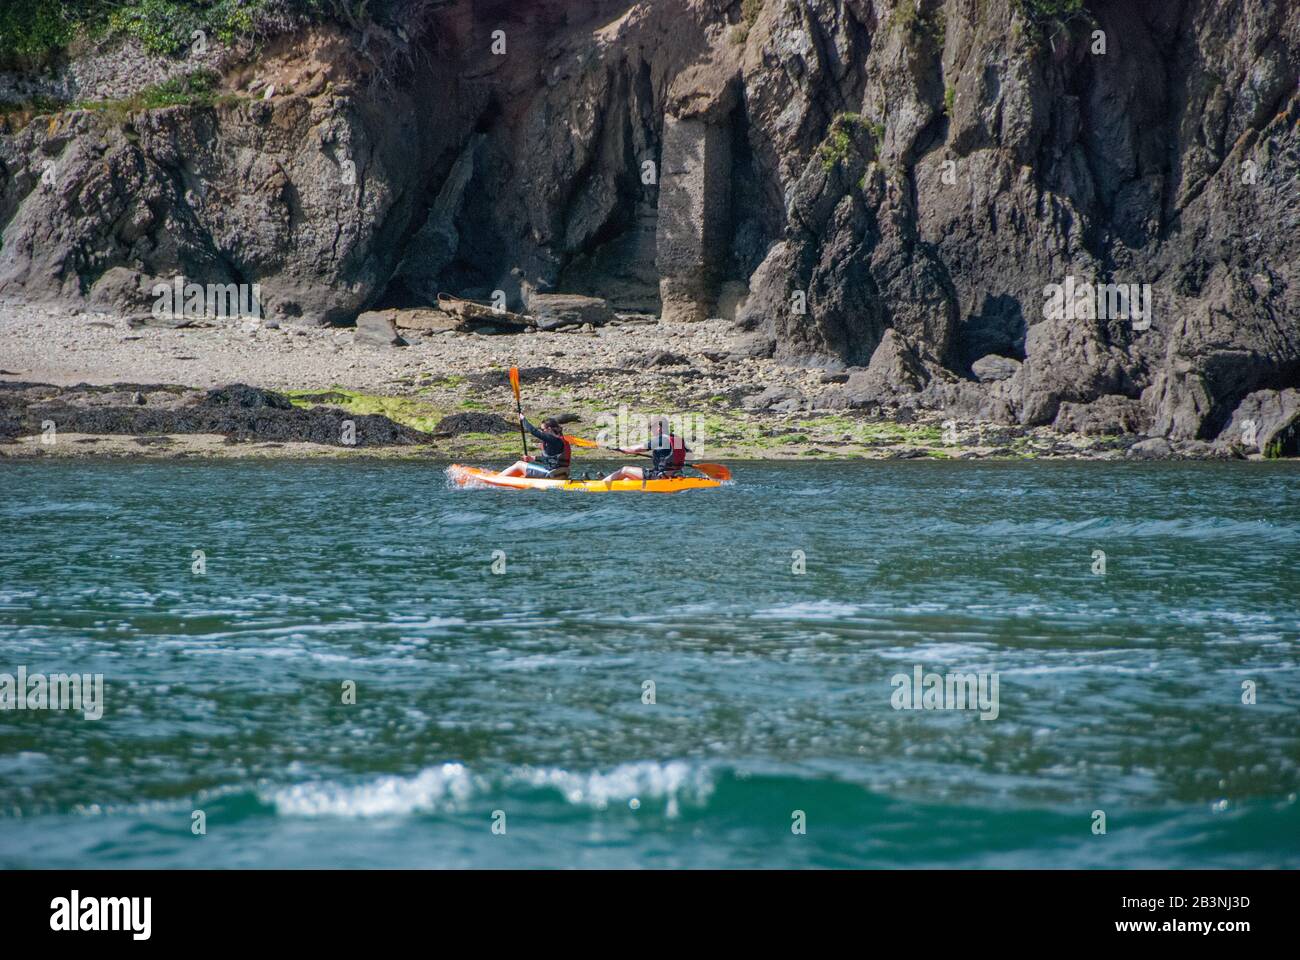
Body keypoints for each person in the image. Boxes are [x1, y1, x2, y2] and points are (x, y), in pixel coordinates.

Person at [603, 416, 689, 482]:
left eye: (651, 428)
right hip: (676, 474)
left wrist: (621, 449)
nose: (650, 431)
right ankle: (610, 480)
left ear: (659, 427)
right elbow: (677, 454)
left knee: (624, 470)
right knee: (627, 479)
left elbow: (638, 449)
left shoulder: (661, 439)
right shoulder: (677, 439)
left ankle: (601, 484)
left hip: (660, 476)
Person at [499, 415, 571, 478]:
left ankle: (498, 478)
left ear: (549, 429)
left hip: (550, 474)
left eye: (542, 430)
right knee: (523, 465)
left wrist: (523, 419)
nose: (541, 432)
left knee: (519, 464)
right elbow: (551, 460)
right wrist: (533, 458)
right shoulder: (560, 441)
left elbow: (533, 431)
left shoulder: (553, 440)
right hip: (562, 474)